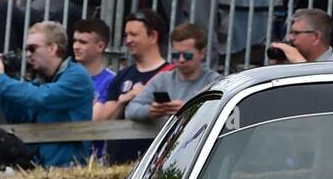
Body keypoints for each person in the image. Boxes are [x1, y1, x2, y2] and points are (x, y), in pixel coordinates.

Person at [0, 21, 94, 168]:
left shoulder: (77, 76)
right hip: (39, 167)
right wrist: (9, 75)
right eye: (26, 49)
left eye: (32, 48)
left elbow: (42, 98)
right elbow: (17, 118)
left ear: (52, 48)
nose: (28, 54)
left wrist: (2, 79)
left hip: (67, 168)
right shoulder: (39, 82)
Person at [97, 10, 172, 165]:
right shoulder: (122, 76)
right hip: (117, 163)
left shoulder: (169, 75)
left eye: (134, 35)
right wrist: (125, 100)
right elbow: (104, 121)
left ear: (153, 36)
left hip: (153, 164)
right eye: (126, 35)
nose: (128, 41)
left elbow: (167, 115)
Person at [127, 23, 222, 124]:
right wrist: (151, 111)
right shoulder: (161, 80)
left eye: (187, 55)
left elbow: (226, 113)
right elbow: (131, 110)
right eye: (176, 55)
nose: (181, 60)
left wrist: (189, 110)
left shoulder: (215, 82)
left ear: (202, 53)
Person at [72, 18, 116, 119]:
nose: (76, 46)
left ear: (100, 46)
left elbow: (97, 119)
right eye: (75, 41)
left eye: (82, 42)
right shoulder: (64, 75)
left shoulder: (111, 81)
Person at [269, 9, 333, 64]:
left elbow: (313, 79)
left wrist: (297, 59)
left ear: (316, 37)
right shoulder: (293, 63)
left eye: (296, 33)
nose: (289, 38)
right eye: (290, 33)